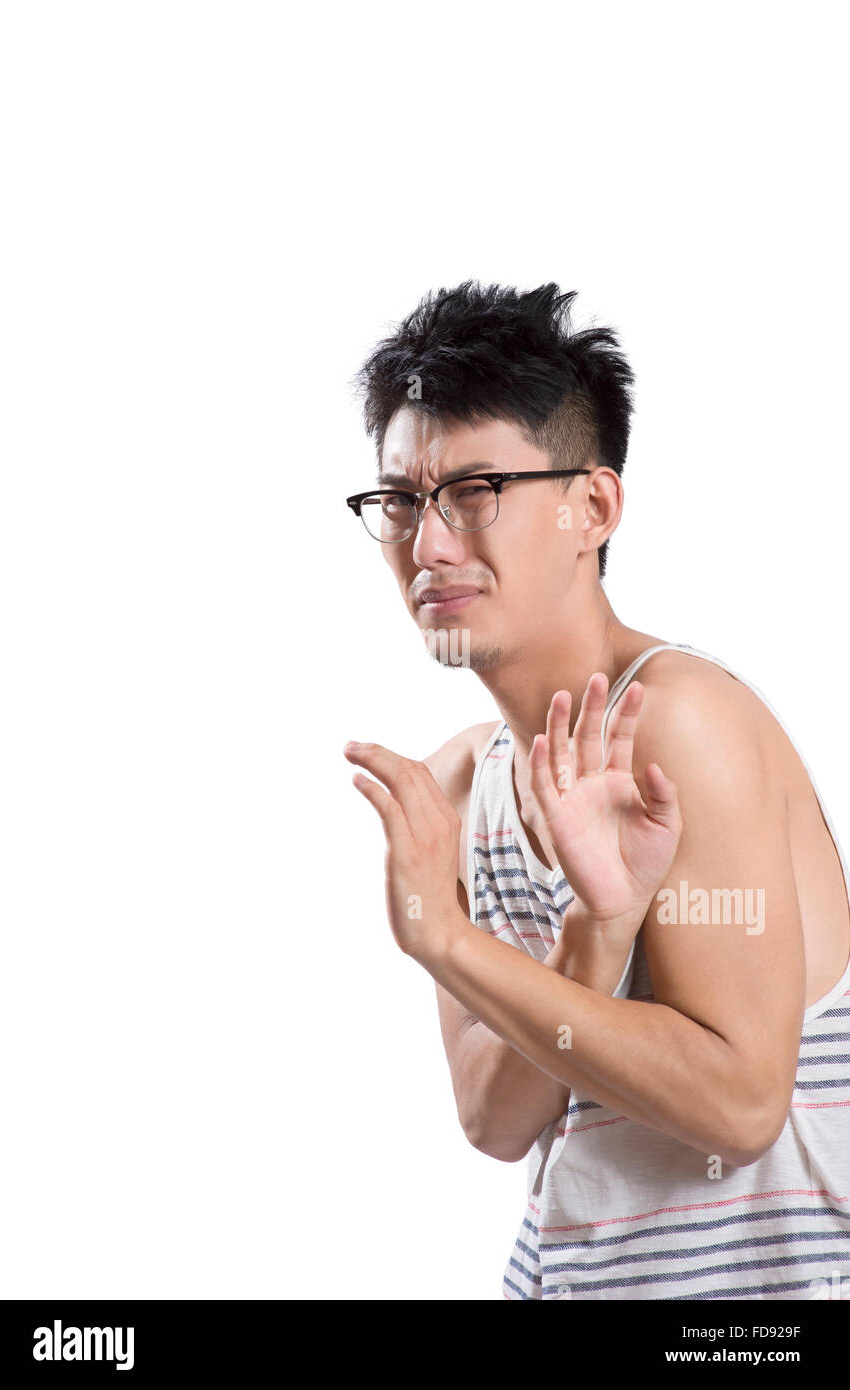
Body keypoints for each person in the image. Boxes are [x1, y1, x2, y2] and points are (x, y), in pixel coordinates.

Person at [342, 281, 850, 1300]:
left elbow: (742, 1101)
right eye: (401, 500)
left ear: (594, 505)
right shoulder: (458, 783)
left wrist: (445, 939)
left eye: (476, 489)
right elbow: (495, 1118)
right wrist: (592, 934)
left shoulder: (677, 721)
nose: (429, 545)